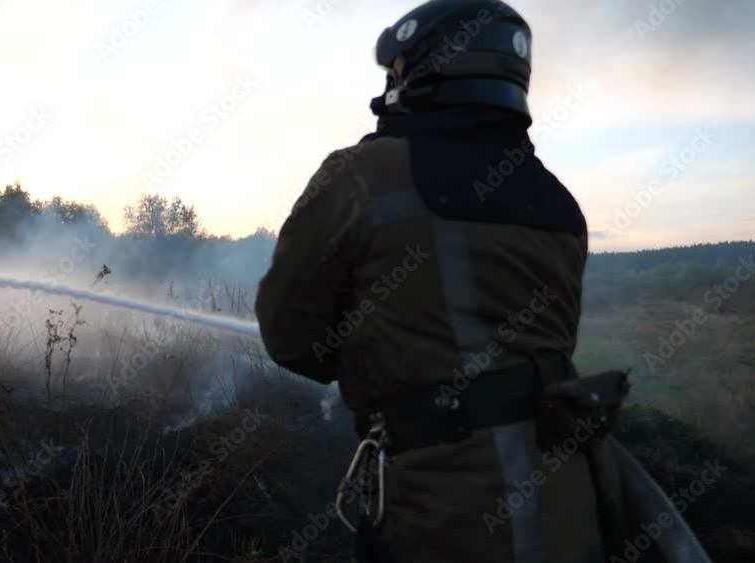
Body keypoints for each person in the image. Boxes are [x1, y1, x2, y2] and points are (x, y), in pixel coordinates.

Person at [255, 1, 632, 561]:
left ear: (426, 75)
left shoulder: (360, 176)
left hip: (442, 514)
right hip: (572, 505)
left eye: (396, 74)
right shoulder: (559, 203)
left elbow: (291, 340)